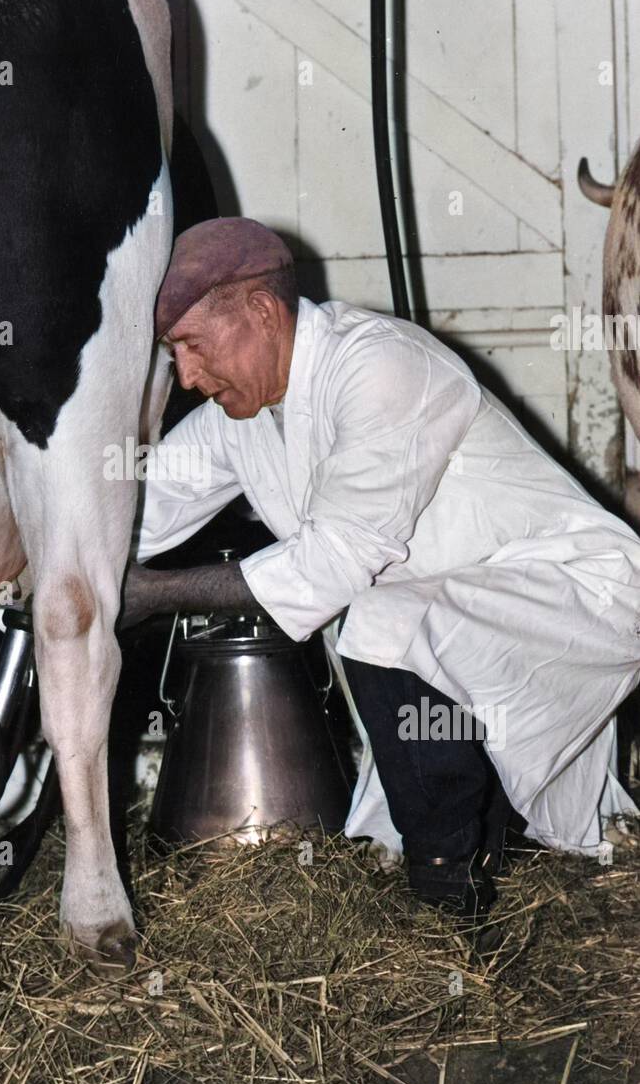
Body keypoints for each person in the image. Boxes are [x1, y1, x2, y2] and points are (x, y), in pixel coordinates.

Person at [123, 216, 640, 920]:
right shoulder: (238, 419)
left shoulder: (379, 365)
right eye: (173, 353)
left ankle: (446, 897)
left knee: (380, 619)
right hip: (463, 623)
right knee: (397, 639)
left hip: (577, 592)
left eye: (191, 345)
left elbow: (333, 564)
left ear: (260, 311)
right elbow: (140, 512)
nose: (185, 375)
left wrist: (152, 595)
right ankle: (489, 845)